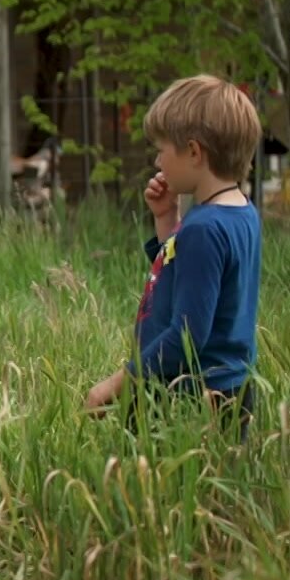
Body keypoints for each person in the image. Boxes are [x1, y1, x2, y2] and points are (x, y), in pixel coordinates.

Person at [85, 74, 263, 433]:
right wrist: (167, 219)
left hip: (185, 397)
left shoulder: (204, 229)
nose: (157, 160)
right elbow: (192, 277)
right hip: (230, 393)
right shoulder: (241, 212)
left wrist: (117, 383)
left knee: (154, 489)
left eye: (162, 149)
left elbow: (186, 337)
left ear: (194, 152)